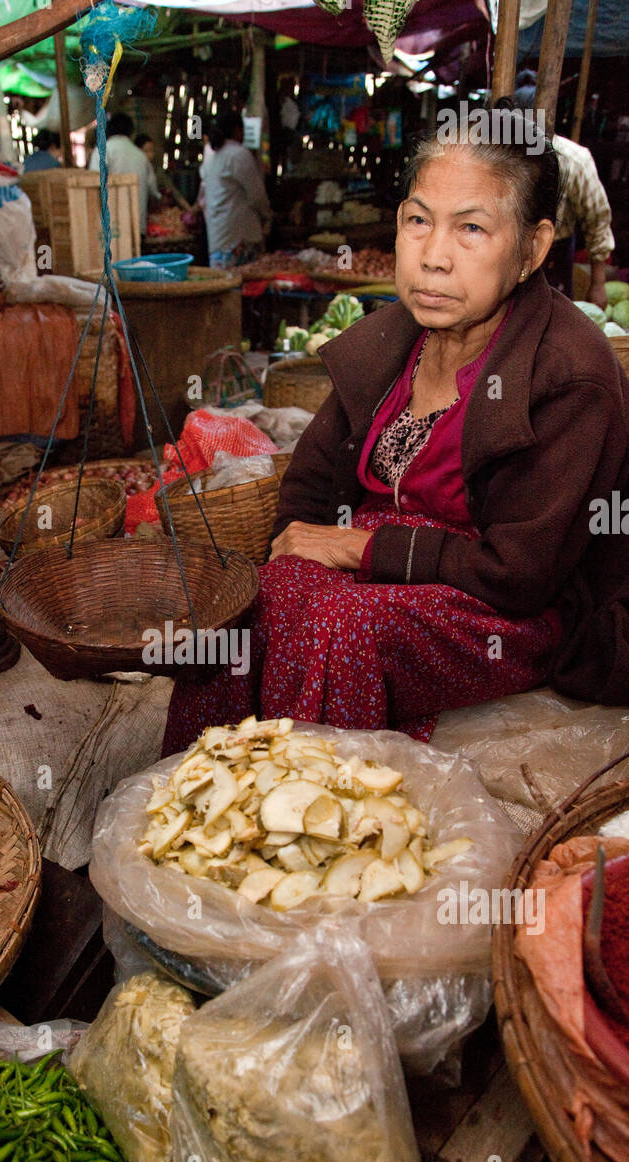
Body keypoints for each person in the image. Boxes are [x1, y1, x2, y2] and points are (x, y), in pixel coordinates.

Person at [161, 104, 629, 757]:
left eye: (471, 228)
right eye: (418, 221)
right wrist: (293, 555)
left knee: (337, 624)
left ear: (532, 248)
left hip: (502, 606)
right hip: (385, 561)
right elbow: (309, 491)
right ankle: (195, 799)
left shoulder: (571, 375)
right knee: (242, 607)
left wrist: (358, 551)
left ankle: (311, 822)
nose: (433, 257)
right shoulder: (393, 342)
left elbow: (521, 573)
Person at [515, 71, 614, 307]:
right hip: (509, 255)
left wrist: (598, 283)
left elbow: (597, 219)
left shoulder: (573, 158)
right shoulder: (498, 158)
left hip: (554, 258)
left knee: (552, 323)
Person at [201, 112, 271, 268]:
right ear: (237, 130)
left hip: (218, 236)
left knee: (224, 286)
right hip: (238, 238)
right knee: (242, 285)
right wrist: (267, 216)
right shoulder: (238, 154)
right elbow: (257, 195)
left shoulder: (213, 154)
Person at [89, 111, 151, 235]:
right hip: (137, 226)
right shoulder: (141, 156)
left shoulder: (102, 151)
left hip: (113, 229)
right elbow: (151, 188)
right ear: (131, 132)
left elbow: (92, 183)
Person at [134, 133, 194, 214]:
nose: (150, 155)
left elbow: (174, 192)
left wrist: (189, 209)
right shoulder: (133, 172)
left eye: (152, 151)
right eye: (146, 151)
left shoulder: (158, 172)